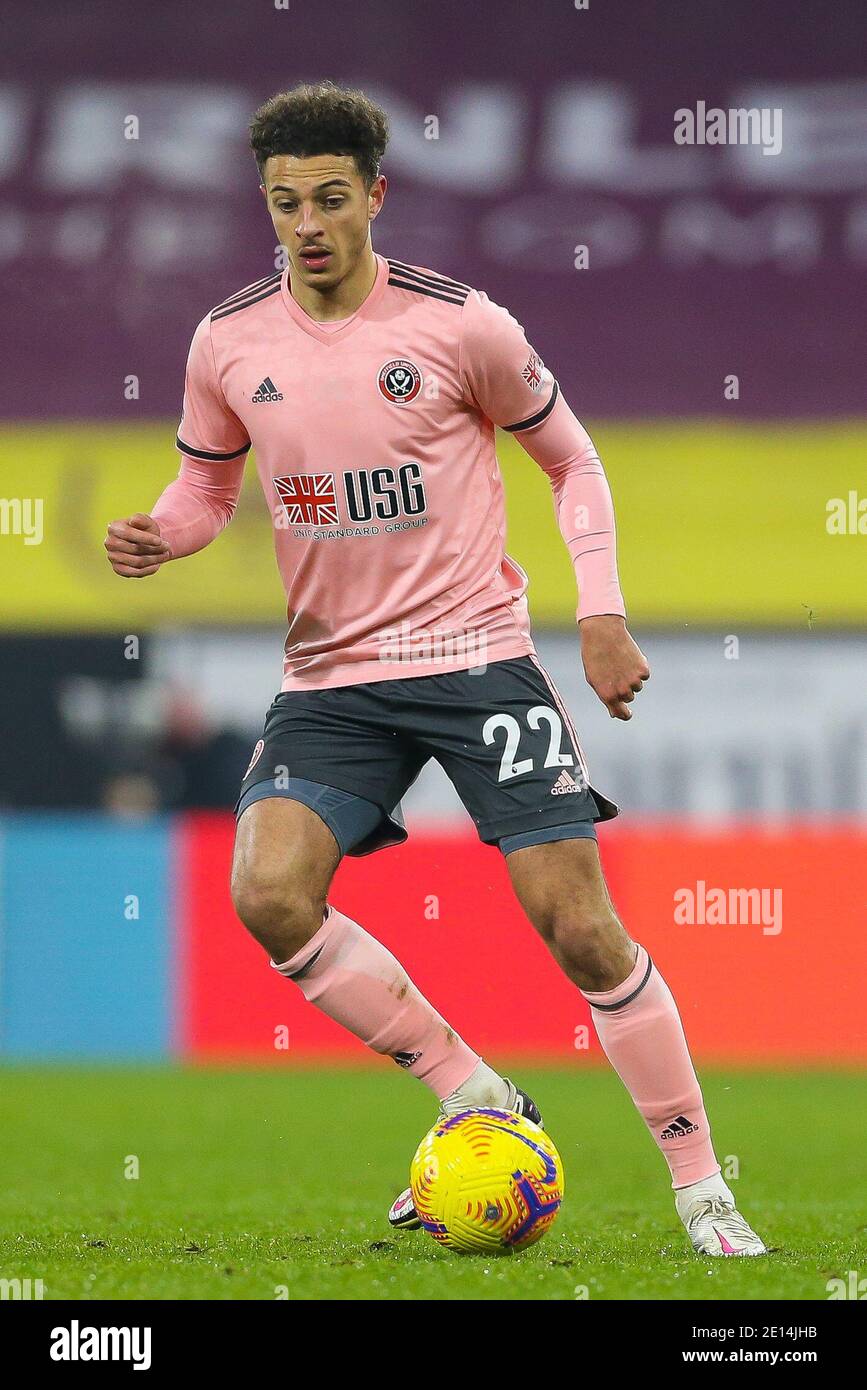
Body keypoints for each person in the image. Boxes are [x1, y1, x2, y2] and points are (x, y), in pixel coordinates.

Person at [105, 81, 765, 1256]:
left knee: (580, 929)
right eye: (282, 202)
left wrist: (600, 612)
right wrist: (166, 530)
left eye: (328, 199)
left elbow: (573, 463)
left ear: (376, 197)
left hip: (477, 659)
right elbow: (207, 491)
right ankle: (474, 1093)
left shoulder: (462, 326)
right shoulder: (228, 340)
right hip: (330, 675)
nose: (305, 223)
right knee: (267, 893)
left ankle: (703, 1186)